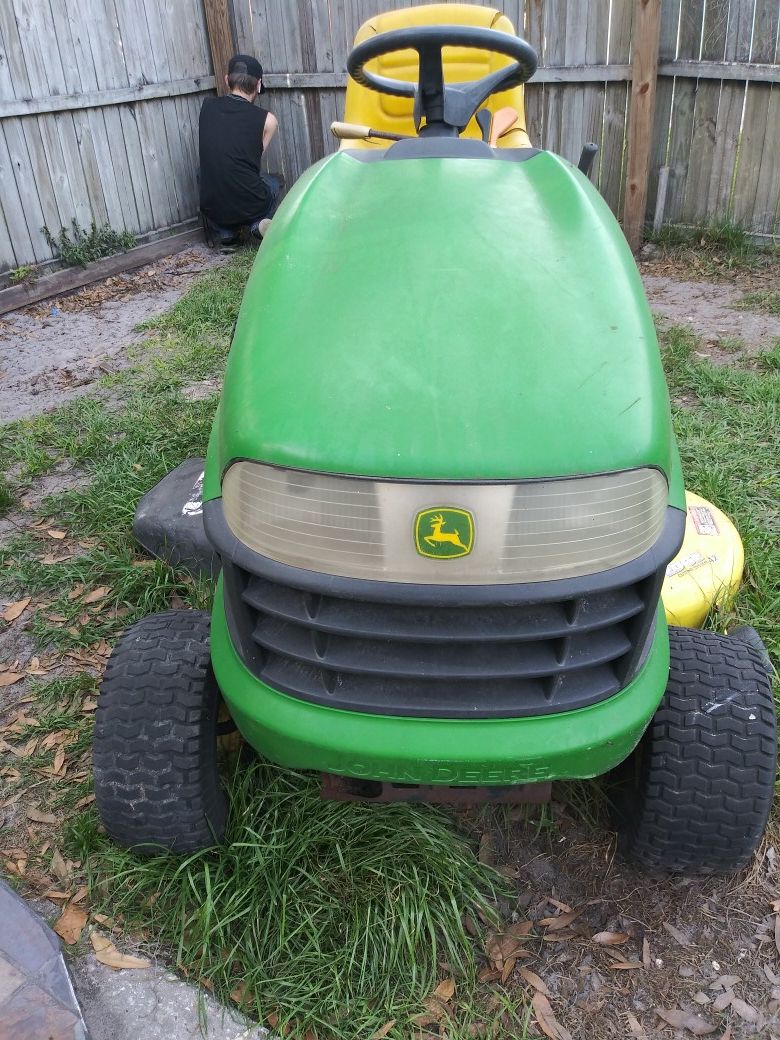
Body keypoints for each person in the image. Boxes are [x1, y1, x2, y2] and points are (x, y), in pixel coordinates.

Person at [199, 54, 281, 245]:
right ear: (259, 84)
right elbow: (252, 158)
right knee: (274, 183)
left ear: (227, 80)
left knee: (204, 175)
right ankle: (256, 226)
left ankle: (226, 233)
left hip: (212, 207)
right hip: (249, 203)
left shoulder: (207, 107)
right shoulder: (268, 120)